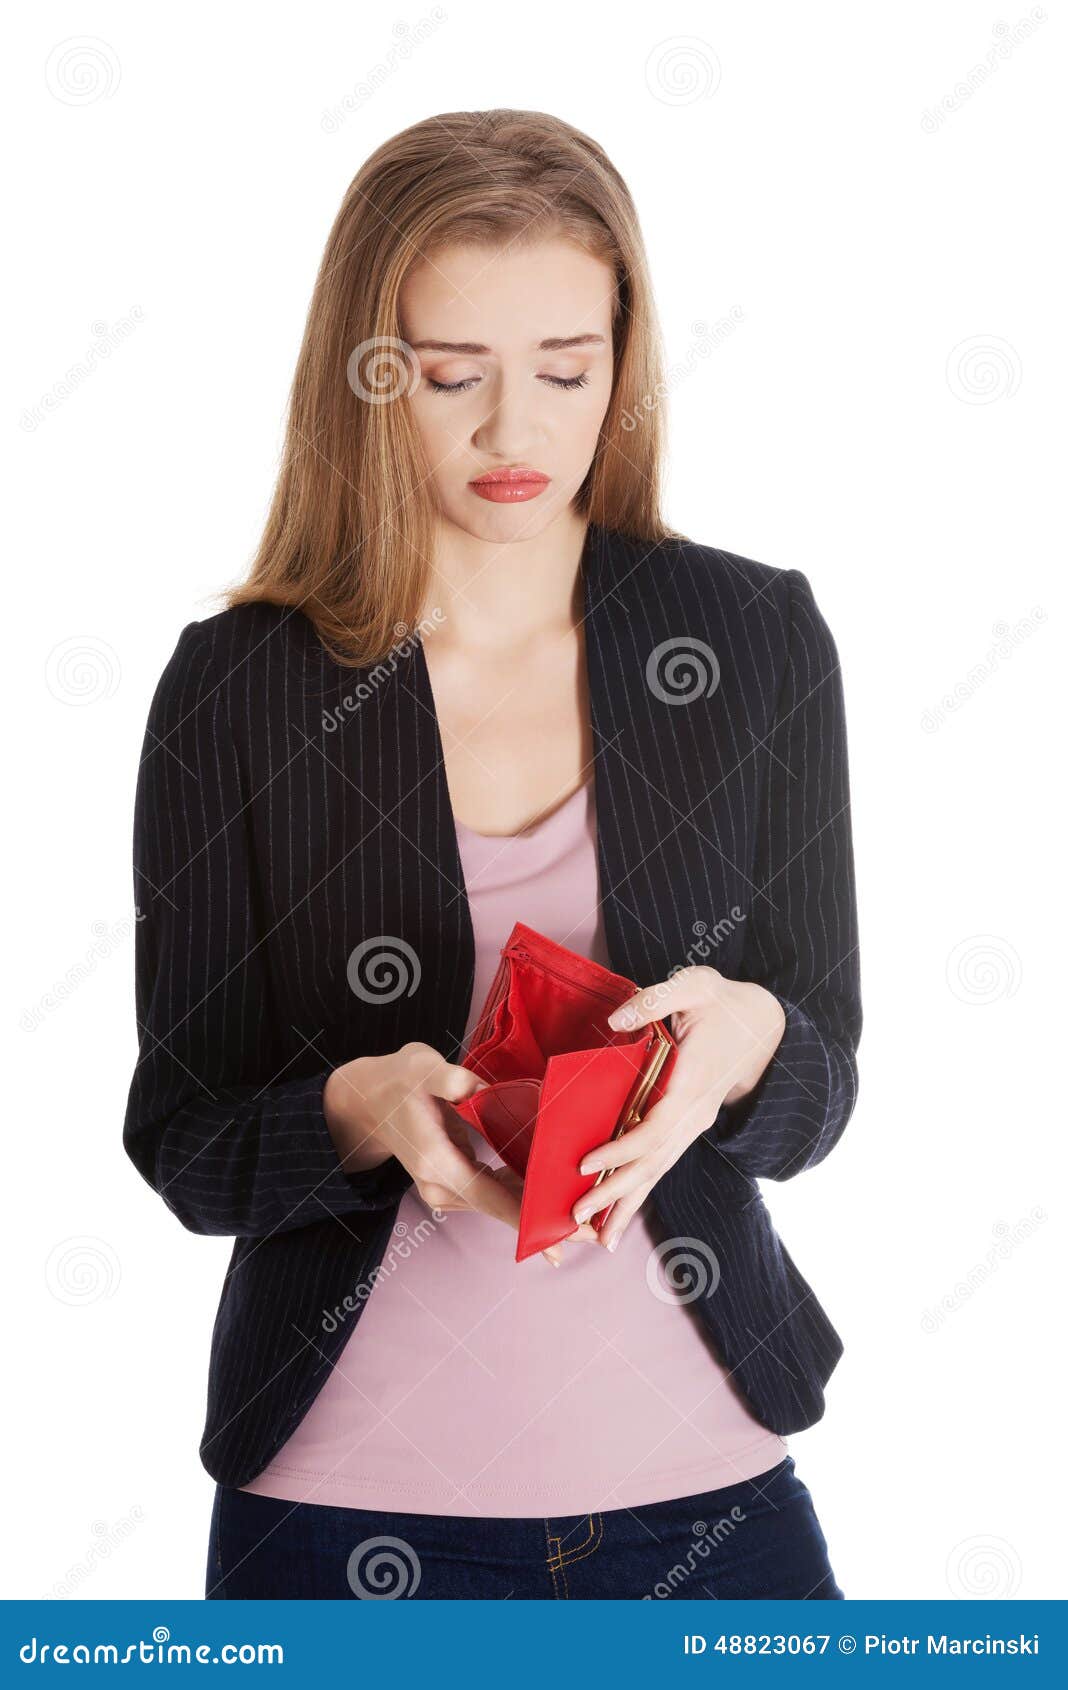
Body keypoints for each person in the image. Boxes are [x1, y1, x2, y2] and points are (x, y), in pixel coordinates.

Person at [124, 108, 861, 1600]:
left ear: (625, 361)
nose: (513, 432)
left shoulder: (753, 636)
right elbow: (184, 1137)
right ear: (371, 375)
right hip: (335, 1522)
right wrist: (355, 1105)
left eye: (567, 371)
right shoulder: (240, 686)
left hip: (705, 1504)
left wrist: (745, 1041)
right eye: (451, 375)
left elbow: (822, 1084)